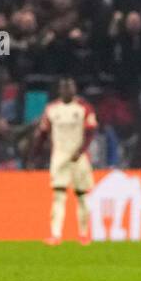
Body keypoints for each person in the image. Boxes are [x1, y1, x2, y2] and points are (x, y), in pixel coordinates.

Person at [33, 77, 97, 246]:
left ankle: (84, 235)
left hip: (79, 158)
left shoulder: (84, 108)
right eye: (65, 88)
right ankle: (55, 234)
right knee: (58, 196)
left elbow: (91, 132)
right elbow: (42, 133)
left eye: (71, 87)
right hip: (59, 157)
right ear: (60, 91)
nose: (68, 91)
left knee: (82, 197)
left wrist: (81, 150)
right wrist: (36, 155)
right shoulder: (52, 109)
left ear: (75, 89)